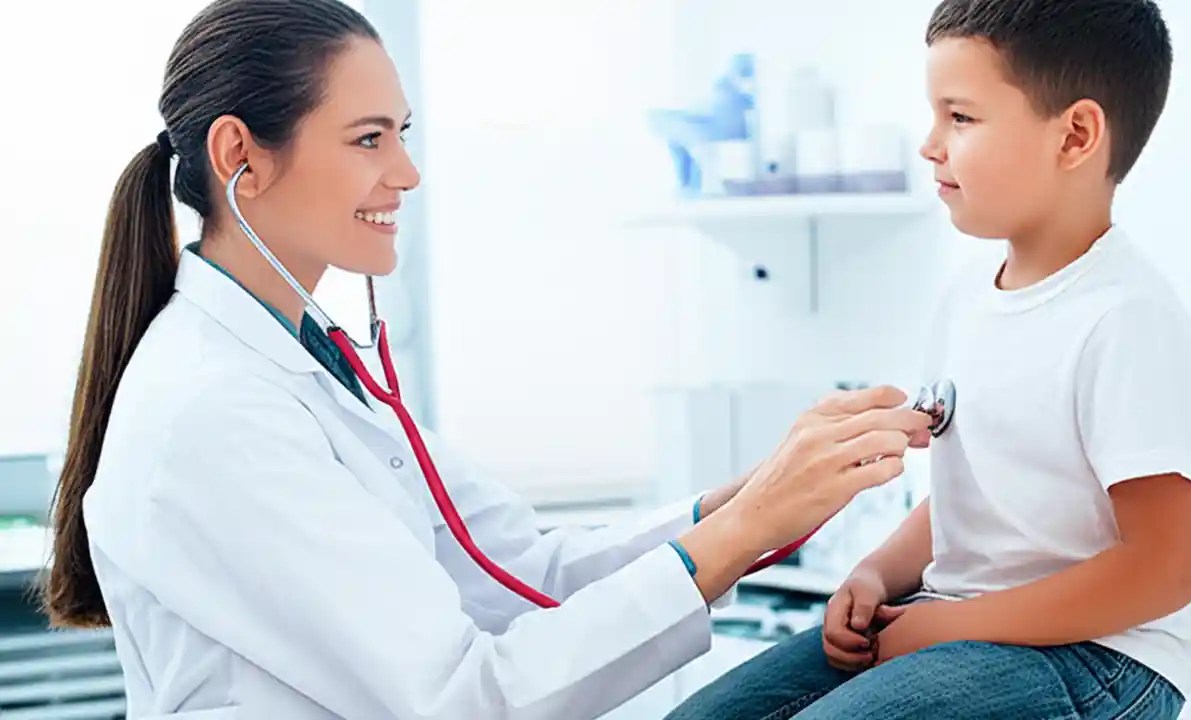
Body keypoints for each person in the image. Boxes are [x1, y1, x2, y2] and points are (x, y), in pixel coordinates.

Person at [40, 1, 933, 718]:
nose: (407, 173)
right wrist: (738, 534)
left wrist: (756, 500)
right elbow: (464, 696)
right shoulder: (215, 411)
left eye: (403, 132)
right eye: (368, 138)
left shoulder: (306, 365)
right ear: (241, 155)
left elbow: (523, 574)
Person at [668, 0, 1191, 718]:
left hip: (1102, 659)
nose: (929, 145)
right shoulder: (968, 301)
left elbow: (1164, 572)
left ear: (1076, 135)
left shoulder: (1127, 322)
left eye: (960, 118)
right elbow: (978, 494)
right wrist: (876, 575)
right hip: (961, 616)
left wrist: (951, 625)